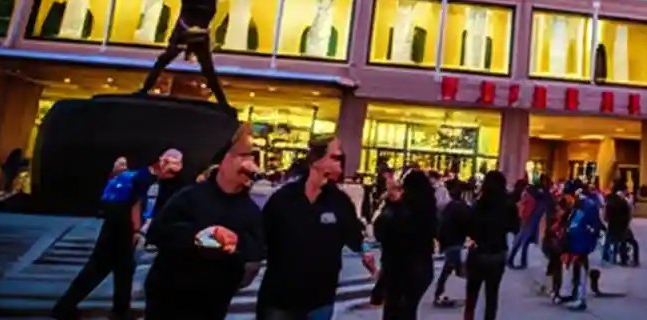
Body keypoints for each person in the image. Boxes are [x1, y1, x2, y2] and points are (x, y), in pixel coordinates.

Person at [144, 127, 264, 320]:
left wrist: (235, 244)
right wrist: (199, 236)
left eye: (253, 158)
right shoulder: (190, 196)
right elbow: (157, 233)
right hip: (170, 298)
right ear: (224, 160)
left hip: (212, 304)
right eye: (244, 156)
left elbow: (255, 251)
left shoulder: (251, 211)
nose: (251, 165)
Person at [52, 148, 184, 320]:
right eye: (171, 171)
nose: (172, 176)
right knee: (99, 269)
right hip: (121, 229)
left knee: (123, 270)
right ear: (162, 163)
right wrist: (136, 230)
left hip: (116, 226)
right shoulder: (143, 178)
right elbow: (135, 205)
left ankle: (119, 310)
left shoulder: (142, 176)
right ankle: (64, 309)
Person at [258, 135, 365, 320]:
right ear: (316, 161)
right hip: (280, 299)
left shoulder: (340, 202)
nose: (341, 162)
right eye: (334, 157)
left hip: (320, 301)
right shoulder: (283, 199)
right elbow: (261, 238)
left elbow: (356, 240)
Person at [137, 0, 244, 107]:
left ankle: (222, 102)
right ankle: (144, 89)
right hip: (185, 31)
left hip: (197, 34)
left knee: (208, 71)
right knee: (165, 60)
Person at [374, 169, 438, 320]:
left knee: (395, 310)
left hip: (400, 269)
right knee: (409, 309)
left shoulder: (402, 209)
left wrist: (390, 203)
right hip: (422, 267)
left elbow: (381, 231)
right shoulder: (428, 208)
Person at [463, 170, 518, 320]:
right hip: (497, 253)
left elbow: (468, 226)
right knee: (492, 296)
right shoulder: (508, 205)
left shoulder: (479, 204)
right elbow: (515, 227)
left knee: (471, 296)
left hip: (478, 252)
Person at [562, 182, 604, 311]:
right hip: (576, 243)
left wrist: (586, 242)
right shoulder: (578, 206)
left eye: (567, 196)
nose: (566, 199)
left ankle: (581, 299)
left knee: (581, 272)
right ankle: (575, 296)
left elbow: (593, 227)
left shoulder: (588, 206)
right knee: (577, 271)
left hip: (583, 244)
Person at [433, 179, 471, 307]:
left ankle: (439, 293)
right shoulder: (462, 207)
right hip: (456, 241)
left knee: (449, 268)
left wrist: (439, 238)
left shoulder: (448, 207)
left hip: (449, 241)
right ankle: (440, 293)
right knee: (455, 269)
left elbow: (441, 224)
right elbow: (467, 224)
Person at [508, 175, 550, 269]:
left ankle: (518, 260)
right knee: (522, 240)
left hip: (528, 219)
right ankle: (514, 260)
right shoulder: (541, 193)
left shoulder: (534, 190)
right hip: (530, 219)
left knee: (523, 240)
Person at [603, 182, 638, 266]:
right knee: (629, 242)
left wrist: (607, 220)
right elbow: (629, 214)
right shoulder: (625, 201)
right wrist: (627, 223)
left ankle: (607, 258)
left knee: (609, 241)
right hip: (622, 225)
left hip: (612, 225)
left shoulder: (609, 199)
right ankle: (626, 259)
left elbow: (605, 214)